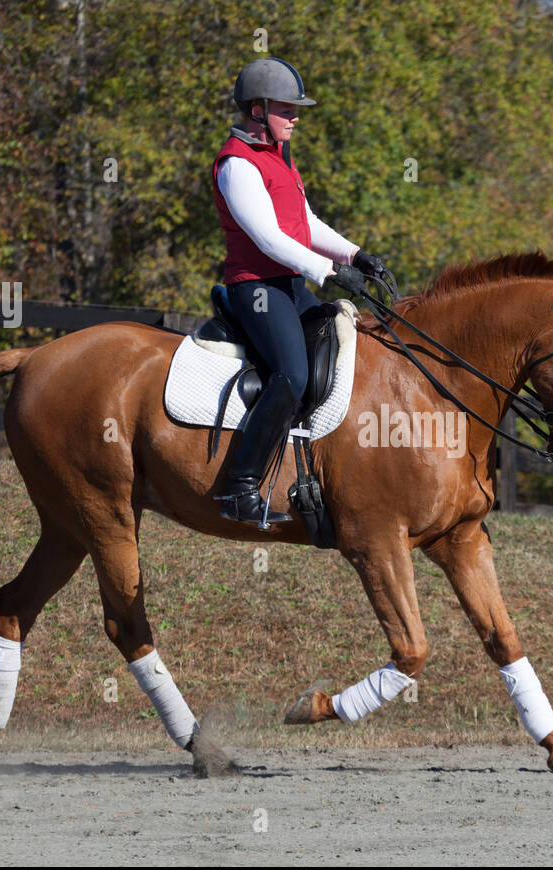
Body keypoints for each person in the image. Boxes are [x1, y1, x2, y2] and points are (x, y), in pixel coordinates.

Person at [210, 56, 383, 525]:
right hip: (257, 288)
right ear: (257, 109)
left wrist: (354, 255)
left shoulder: (278, 159)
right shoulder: (237, 164)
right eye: (287, 108)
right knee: (293, 375)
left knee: (342, 340)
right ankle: (240, 487)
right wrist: (327, 273)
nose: (296, 116)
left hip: (288, 283)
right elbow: (267, 239)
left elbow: (303, 223)